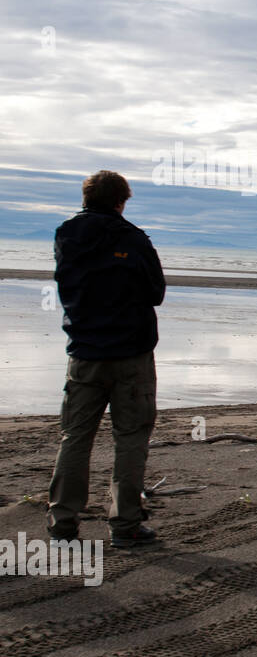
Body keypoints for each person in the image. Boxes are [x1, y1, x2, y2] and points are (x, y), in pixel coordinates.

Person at [47, 170, 166, 548]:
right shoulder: (134, 239)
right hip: (130, 353)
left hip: (85, 351)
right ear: (121, 201)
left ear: (86, 198)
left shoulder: (67, 235)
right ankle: (125, 522)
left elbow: (68, 281)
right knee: (130, 437)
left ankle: (63, 520)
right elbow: (156, 292)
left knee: (76, 436)